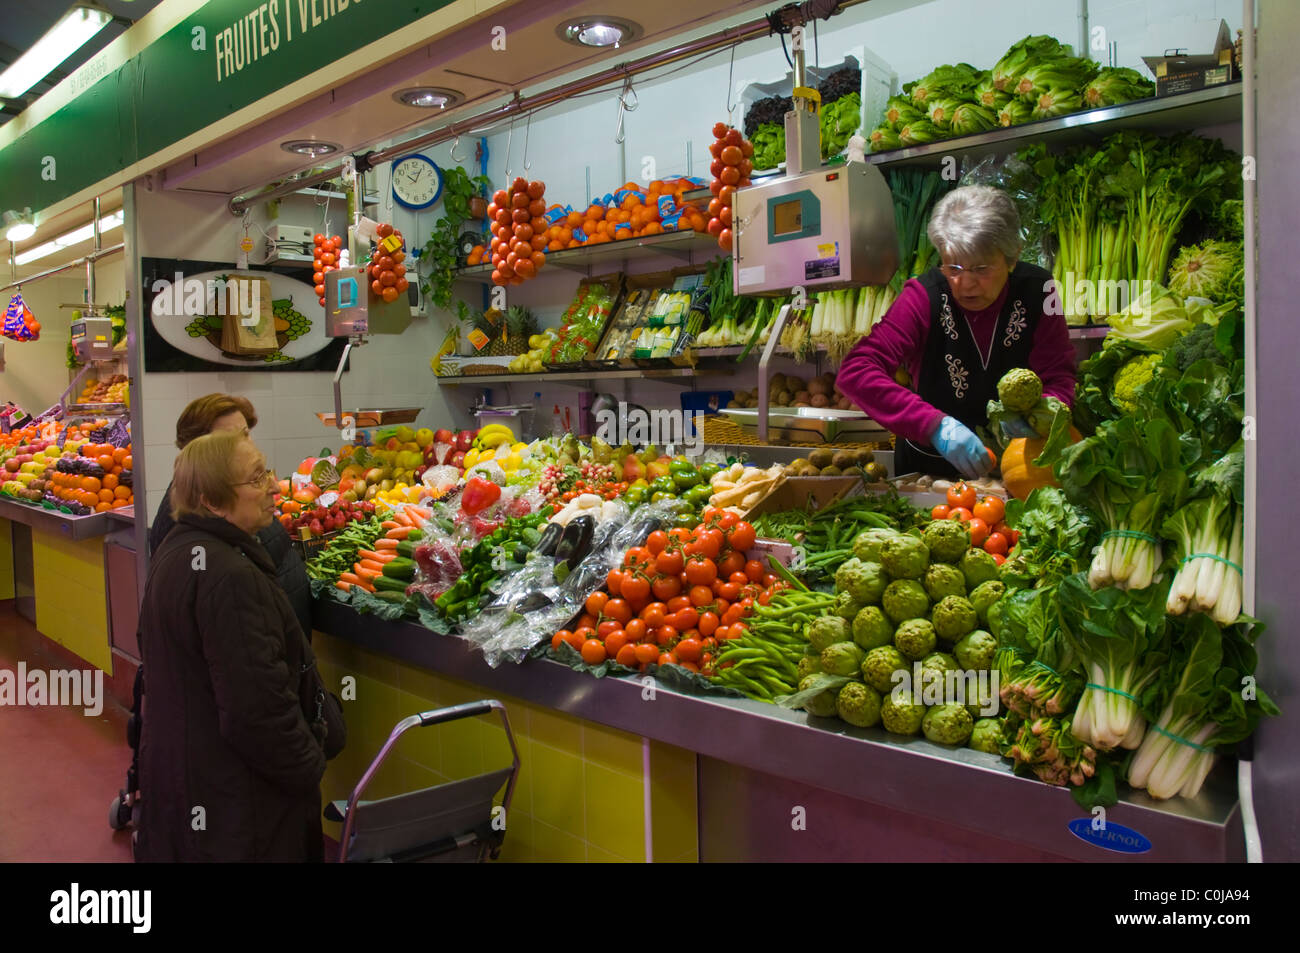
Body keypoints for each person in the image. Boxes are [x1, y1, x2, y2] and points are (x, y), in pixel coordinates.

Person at [135, 431, 333, 862]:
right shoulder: (229, 577)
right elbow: (256, 712)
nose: (274, 487)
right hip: (239, 807)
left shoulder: (178, 550)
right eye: (257, 478)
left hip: (187, 783)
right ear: (212, 500)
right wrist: (308, 766)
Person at [837, 185, 1076, 480]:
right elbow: (857, 370)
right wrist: (935, 426)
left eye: (981, 269)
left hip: (1021, 469)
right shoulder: (923, 295)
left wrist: (1045, 414)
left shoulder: (1039, 290)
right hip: (929, 474)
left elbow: (1060, 375)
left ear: (1011, 258)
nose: (965, 284)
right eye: (954, 268)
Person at [149, 393, 312, 641]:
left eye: (245, 433)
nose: (245, 444)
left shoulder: (240, 493)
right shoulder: (183, 519)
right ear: (200, 450)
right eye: (231, 439)